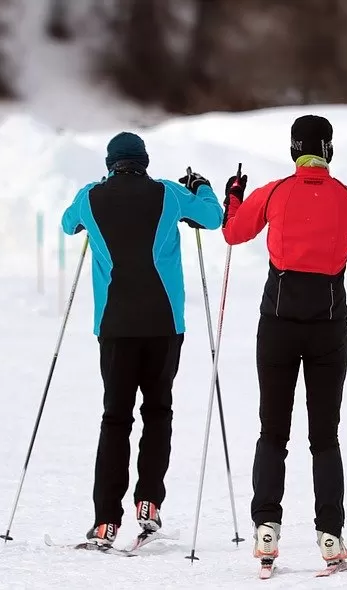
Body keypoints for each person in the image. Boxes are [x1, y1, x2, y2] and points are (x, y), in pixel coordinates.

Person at [220, 115, 347, 567]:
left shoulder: (273, 192)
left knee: (272, 431)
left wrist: (233, 197)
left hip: (277, 323)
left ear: (294, 150)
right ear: (329, 150)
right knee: (324, 437)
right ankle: (330, 537)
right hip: (328, 326)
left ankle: (267, 530)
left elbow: (233, 233)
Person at [61, 131, 224, 547]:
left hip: (114, 326)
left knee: (115, 418)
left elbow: (67, 224)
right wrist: (200, 184)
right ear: (145, 161)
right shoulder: (168, 194)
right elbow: (212, 217)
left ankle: (105, 521)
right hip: (164, 324)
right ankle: (149, 501)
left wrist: (89, 191)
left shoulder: (90, 197)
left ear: (110, 163)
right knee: (158, 411)